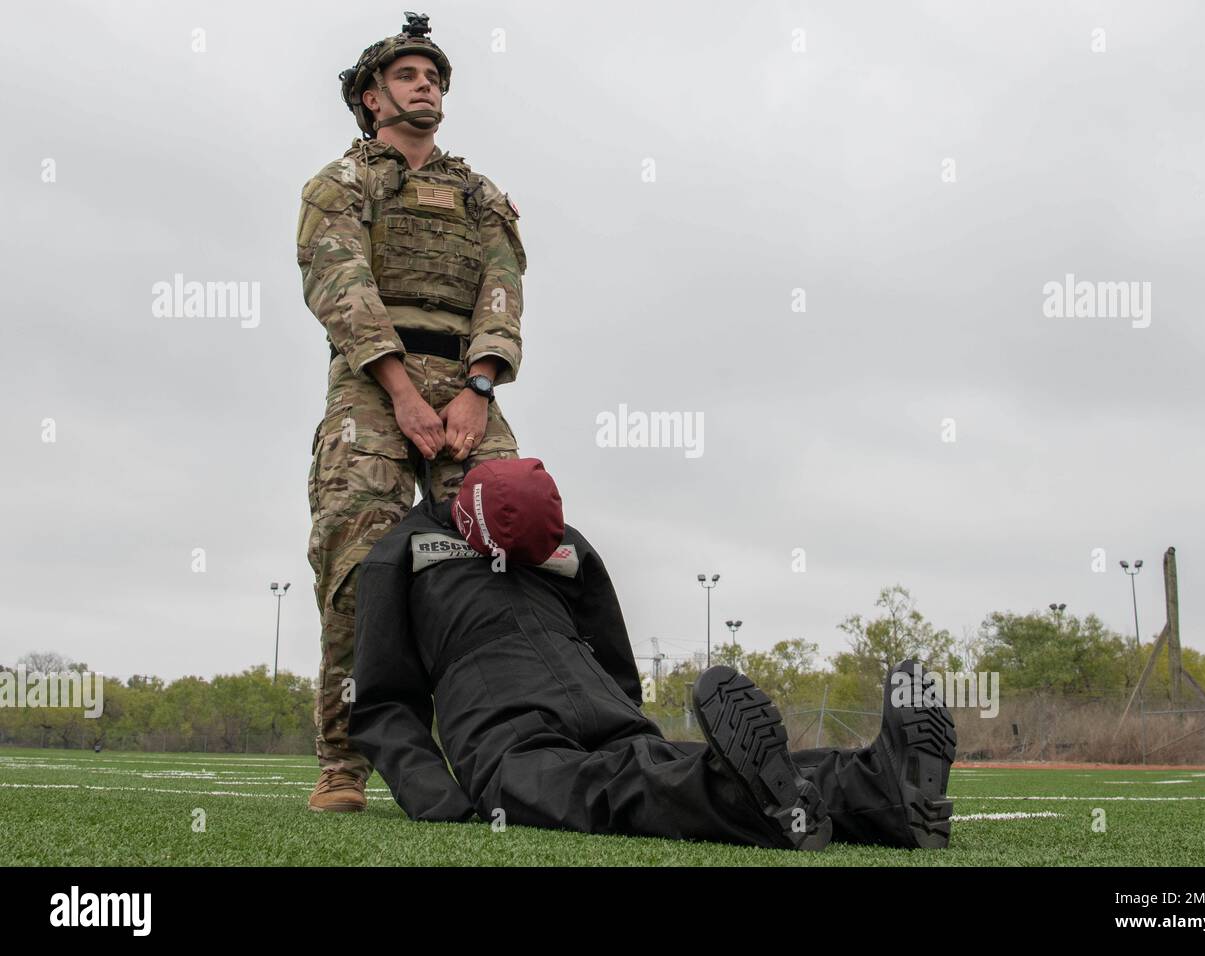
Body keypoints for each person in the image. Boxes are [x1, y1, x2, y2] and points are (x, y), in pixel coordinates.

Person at [349, 458, 957, 850]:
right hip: (506, 731)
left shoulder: (561, 540)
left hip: (597, 704)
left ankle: (881, 787)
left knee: (652, 763)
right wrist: (434, 794)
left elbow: (607, 637)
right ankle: (799, 799)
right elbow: (381, 698)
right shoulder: (396, 553)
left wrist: (625, 714)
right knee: (624, 781)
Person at [297, 11, 527, 812]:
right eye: (407, 74)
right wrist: (399, 393)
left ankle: (519, 750)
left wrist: (479, 387)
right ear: (370, 97)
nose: (426, 84)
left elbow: (502, 291)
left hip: (470, 385)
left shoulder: (481, 196)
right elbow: (341, 288)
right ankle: (344, 763)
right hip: (372, 383)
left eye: (434, 76)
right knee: (357, 558)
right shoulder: (341, 184)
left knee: (518, 544)